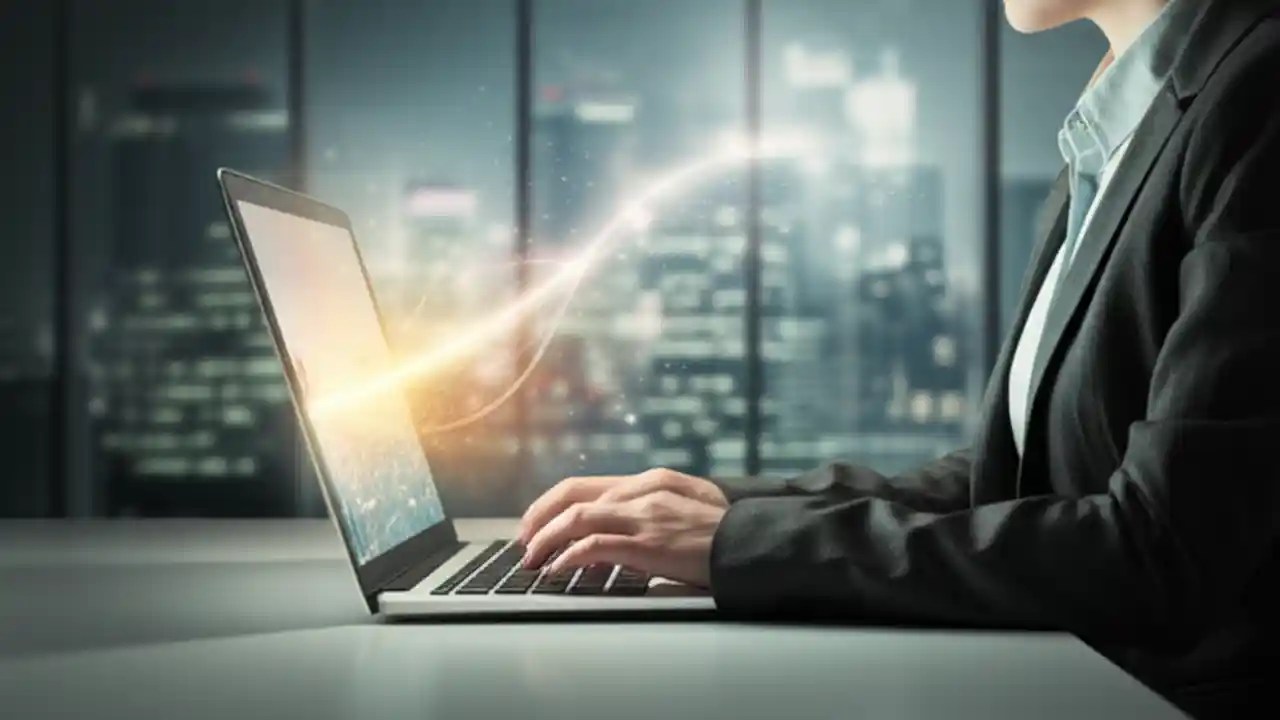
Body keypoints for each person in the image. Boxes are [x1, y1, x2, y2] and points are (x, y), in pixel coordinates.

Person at [515, 0, 1280, 716]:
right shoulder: (1125, 126)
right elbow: (1012, 485)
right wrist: (734, 510)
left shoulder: (1256, 93)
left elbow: (1162, 551)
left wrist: (750, 547)